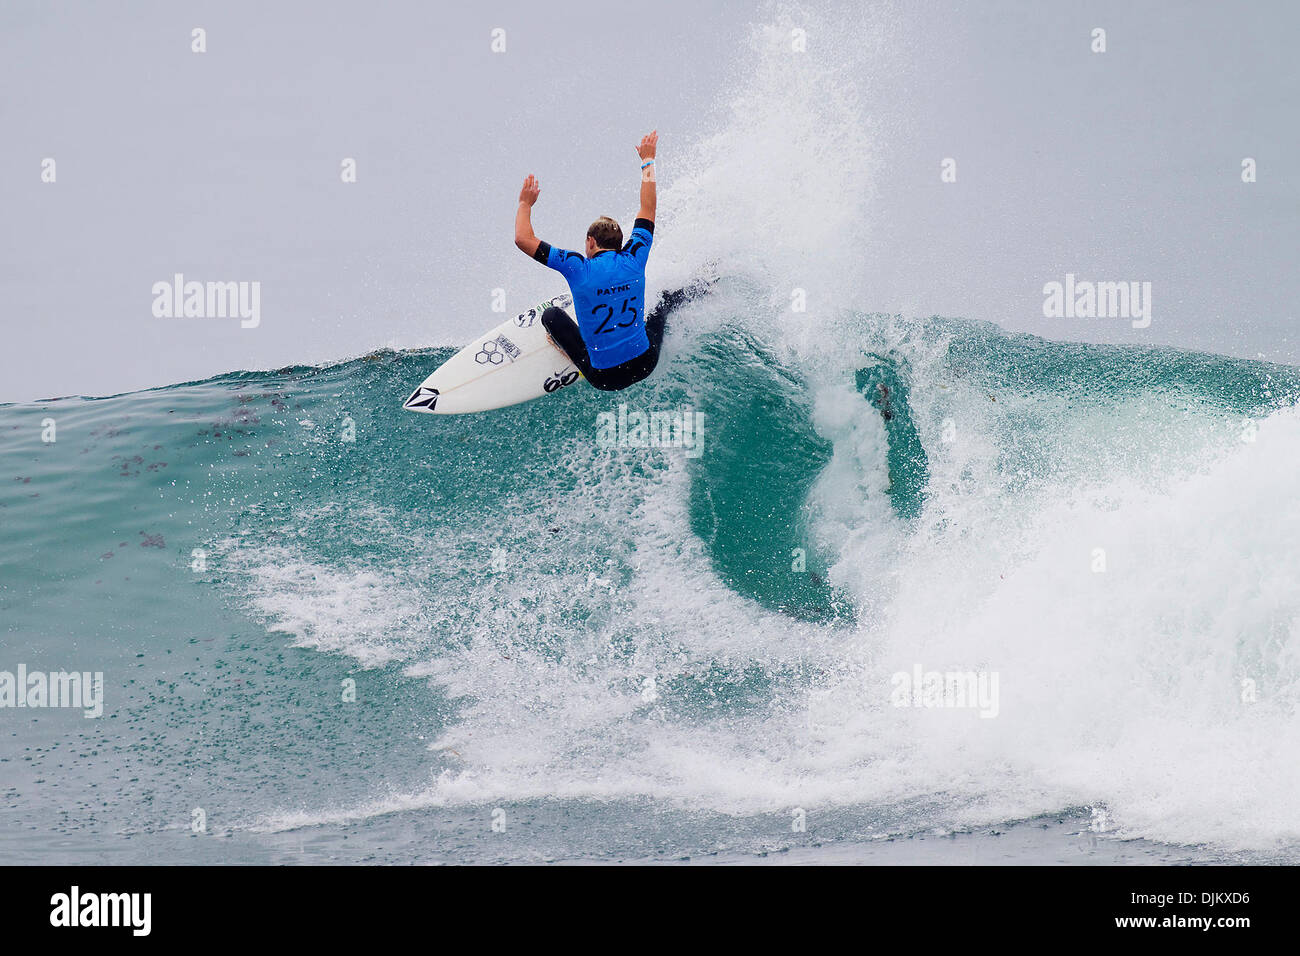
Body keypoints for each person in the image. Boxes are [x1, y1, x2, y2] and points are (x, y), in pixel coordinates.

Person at [513, 131, 662, 391]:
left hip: (605, 378)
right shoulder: (636, 256)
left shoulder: (577, 267)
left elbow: (523, 239)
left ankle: (565, 350)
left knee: (550, 315)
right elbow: (648, 208)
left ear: (591, 242)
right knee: (666, 302)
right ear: (619, 243)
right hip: (647, 363)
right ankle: (705, 286)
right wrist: (647, 159)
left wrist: (525, 203)